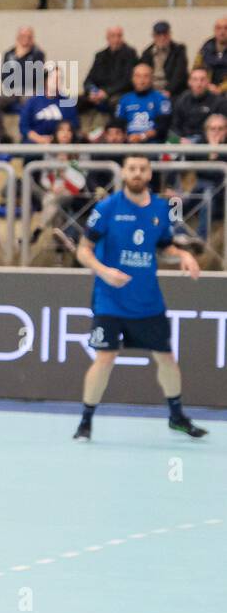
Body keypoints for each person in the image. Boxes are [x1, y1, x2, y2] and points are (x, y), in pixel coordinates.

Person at [73, 155, 208, 440]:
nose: (137, 173)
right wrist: (104, 271)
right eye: (132, 168)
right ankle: (85, 421)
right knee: (105, 358)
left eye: (142, 169)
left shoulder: (162, 208)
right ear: (124, 173)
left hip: (147, 301)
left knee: (167, 358)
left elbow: (165, 246)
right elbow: (83, 249)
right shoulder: (107, 207)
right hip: (110, 299)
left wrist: (183, 254)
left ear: (149, 174)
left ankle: (177, 417)